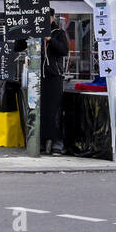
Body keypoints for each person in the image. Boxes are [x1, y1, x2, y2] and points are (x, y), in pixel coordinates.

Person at [41, 9, 69, 155]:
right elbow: (19, 47)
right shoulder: (36, 32)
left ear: (52, 18)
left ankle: (57, 142)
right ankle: (40, 140)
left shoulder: (58, 32)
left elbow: (64, 50)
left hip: (54, 76)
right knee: (40, 110)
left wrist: (50, 40)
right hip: (39, 76)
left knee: (55, 110)